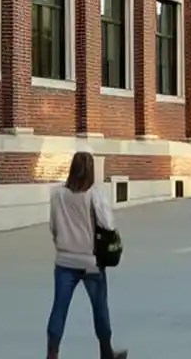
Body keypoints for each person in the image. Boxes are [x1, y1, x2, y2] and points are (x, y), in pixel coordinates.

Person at [46, 151, 128, 359]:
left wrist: (62, 243)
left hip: (64, 259)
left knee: (59, 308)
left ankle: (52, 353)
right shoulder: (93, 194)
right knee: (100, 307)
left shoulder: (57, 194)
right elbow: (108, 224)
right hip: (91, 261)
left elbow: (53, 226)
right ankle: (106, 351)